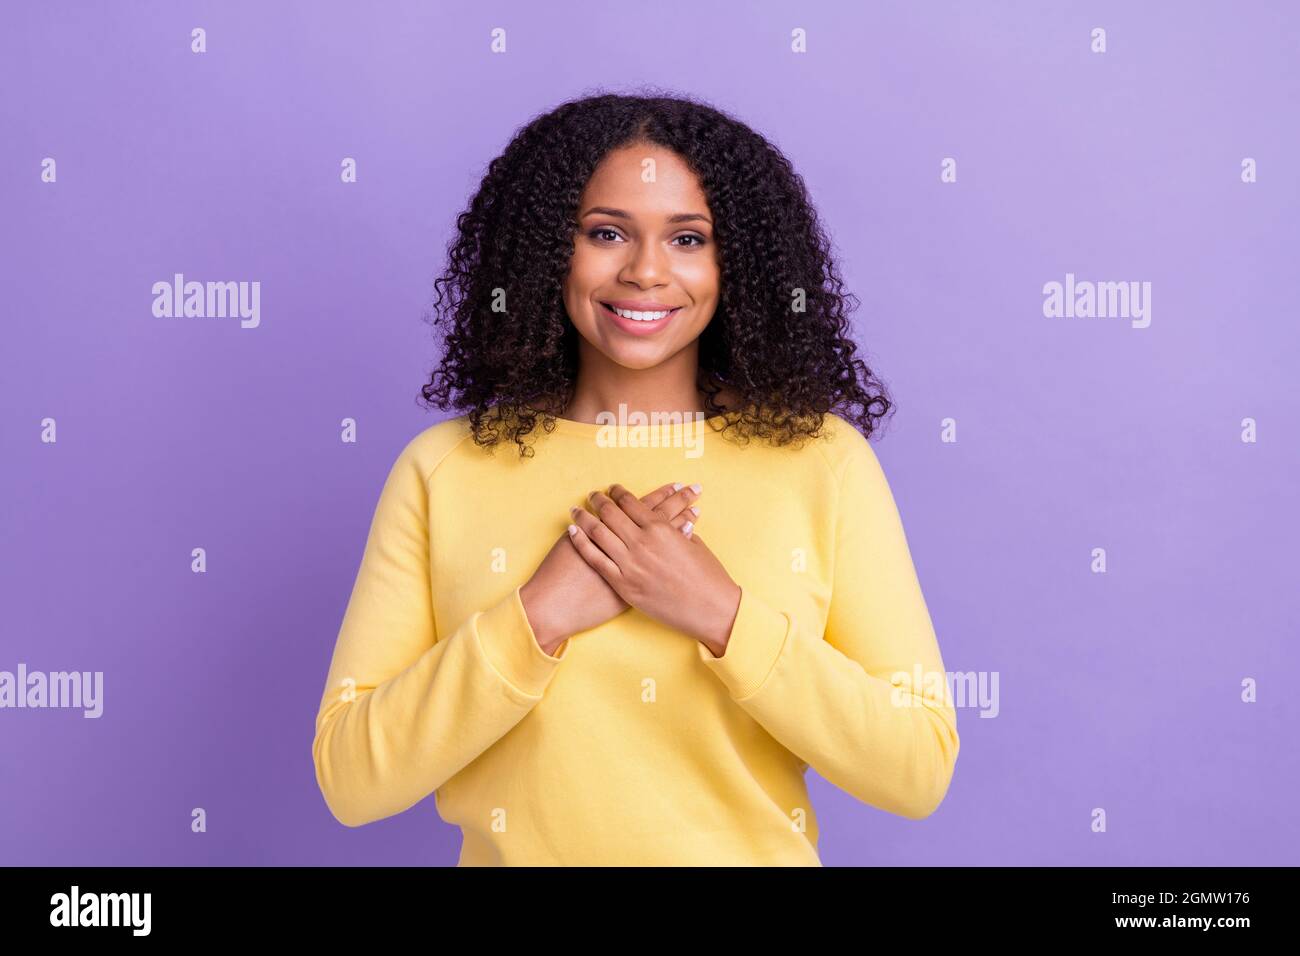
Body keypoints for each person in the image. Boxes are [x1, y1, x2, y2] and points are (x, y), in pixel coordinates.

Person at [311, 91, 960, 866]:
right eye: (607, 233)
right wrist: (539, 617)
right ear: (551, 248)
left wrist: (720, 614)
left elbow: (917, 768)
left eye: (688, 239)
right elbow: (351, 780)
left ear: (738, 265)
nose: (646, 272)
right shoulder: (445, 469)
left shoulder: (821, 462)